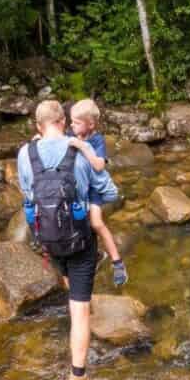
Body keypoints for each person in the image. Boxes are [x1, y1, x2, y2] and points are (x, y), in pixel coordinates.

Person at [17, 100, 119, 380]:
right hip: (80, 242)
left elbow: (28, 194)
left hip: (48, 240)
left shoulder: (25, 153)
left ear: (38, 126)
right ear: (63, 121)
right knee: (80, 312)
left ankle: (72, 294)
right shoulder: (79, 151)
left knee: (69, 290)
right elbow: (111, 191)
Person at [66, 98, 128, 287]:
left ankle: (118, 263)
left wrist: (83, 146)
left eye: (76, 122)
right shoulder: (70, 133)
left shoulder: (96, 140)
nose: (72, 125)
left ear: (90, 124)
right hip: (78, 185)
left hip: (93, 188)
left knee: (96, 223)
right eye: (71, 121)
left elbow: (100, 165)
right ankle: (92, 254)